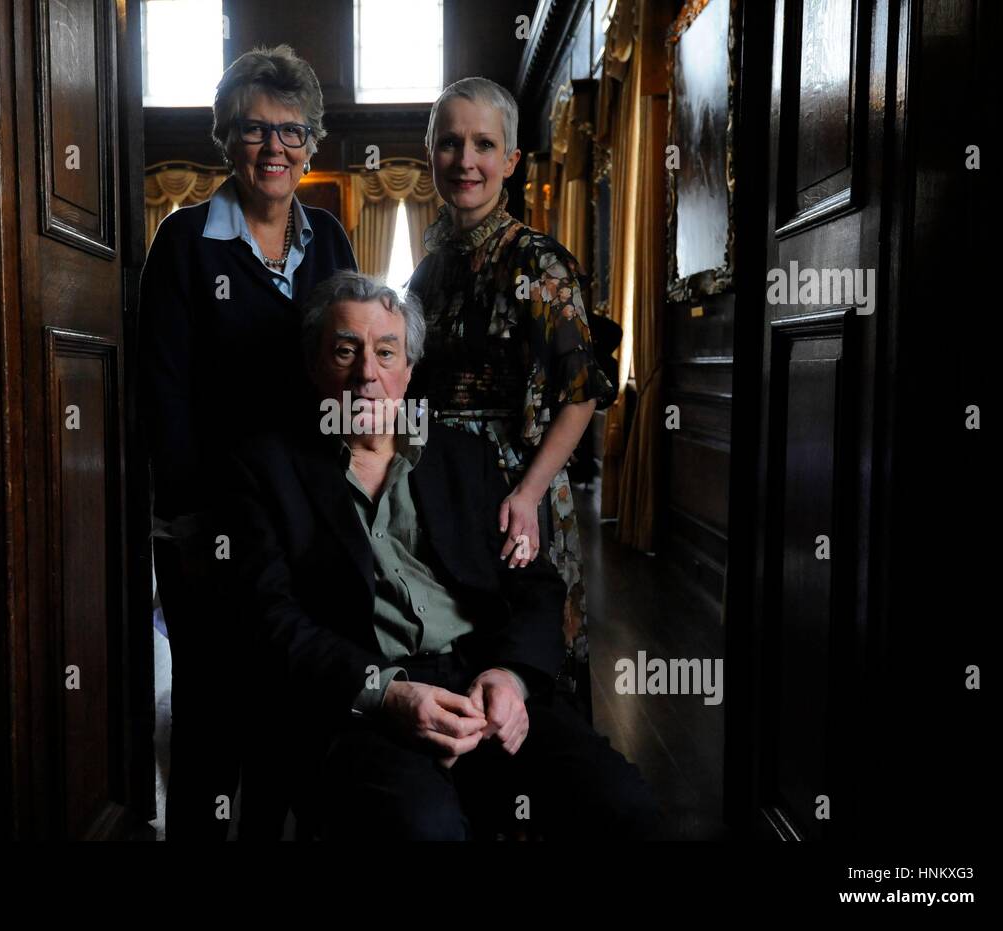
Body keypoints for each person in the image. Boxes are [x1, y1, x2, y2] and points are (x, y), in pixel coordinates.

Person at [218, 271, 659, 840]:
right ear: (313, 366)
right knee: (427, 830)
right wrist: (388, 694)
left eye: (385, 353)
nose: (366, 376)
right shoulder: (265, 469)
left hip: (479, 676)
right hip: (366, 697)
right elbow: (269, 620)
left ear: (408, 370)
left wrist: (511, 678)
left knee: (624, 805)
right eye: (345, 352)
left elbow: (535, 586)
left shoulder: (461, 456)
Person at [137, 45, 356, 840]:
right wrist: (190, 524)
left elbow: (350, 363)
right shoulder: (184, 242)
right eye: (255, 130)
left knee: (286, 701)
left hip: (304, 515)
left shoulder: (329, 238)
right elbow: (162, 393)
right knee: (208, 708)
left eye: (291, 132)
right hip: (210, 519)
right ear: (225, 140)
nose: (275, 148)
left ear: (312, 143)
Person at [407, 77, 618, 713]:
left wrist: (528, 494)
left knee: (529, 649)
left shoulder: (540, 263)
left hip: (516, 487)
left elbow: (580, 395)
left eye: (482, 144)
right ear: (431, 153)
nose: (465, 160)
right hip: (441, 479)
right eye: (449, 143)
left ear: (511, 160)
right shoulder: (428, 268)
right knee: (461, 641)